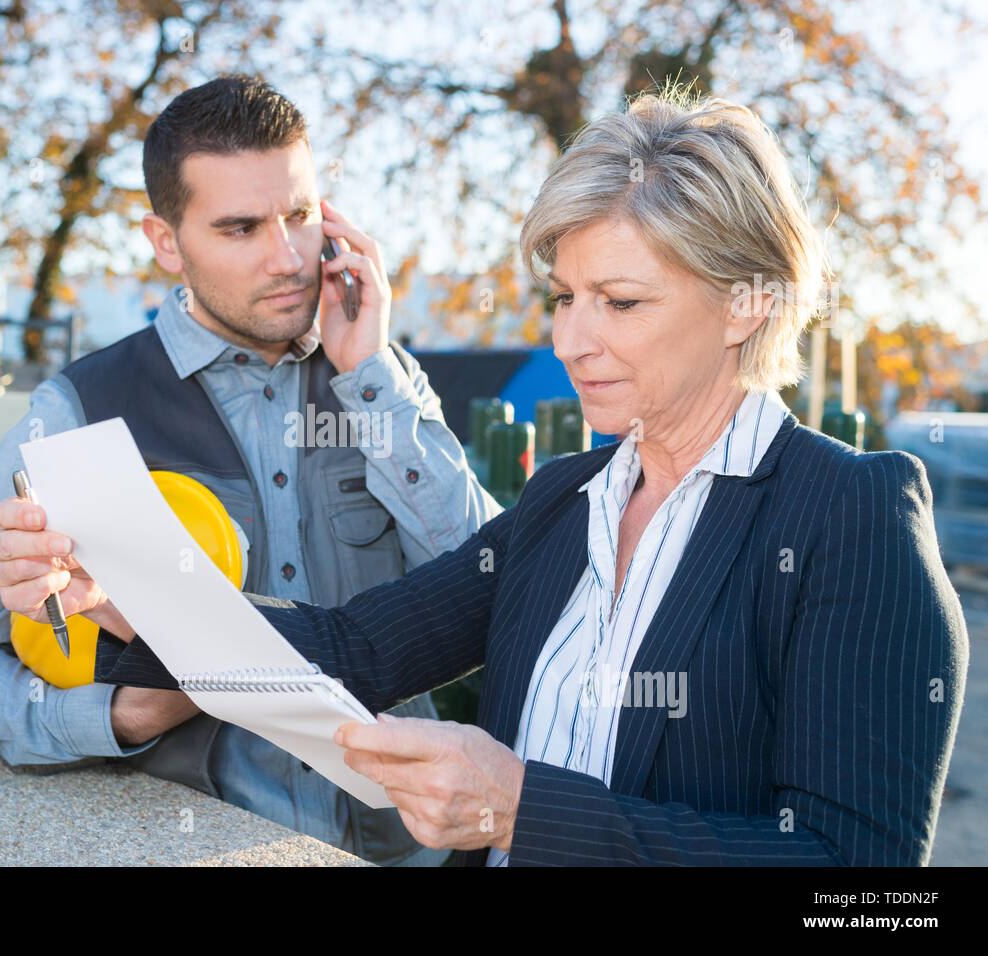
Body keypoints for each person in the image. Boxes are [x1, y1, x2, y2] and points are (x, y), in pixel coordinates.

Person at [91, 89, 969, 865]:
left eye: (620, 302)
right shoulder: (563, 500)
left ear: (746, 301)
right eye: (564, 296)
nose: (571, 342)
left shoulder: (849, 517)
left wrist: (522, 811)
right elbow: (353, 649)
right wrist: (121, 590)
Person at [0, 75, 502, 866]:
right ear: (167, 242)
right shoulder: (75, 412)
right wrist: (118, 719)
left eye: (299, 215)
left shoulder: (383, 383)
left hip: (401, 853)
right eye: (239, 228)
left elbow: (494, 581)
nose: (288, 256)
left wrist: (373, 380)